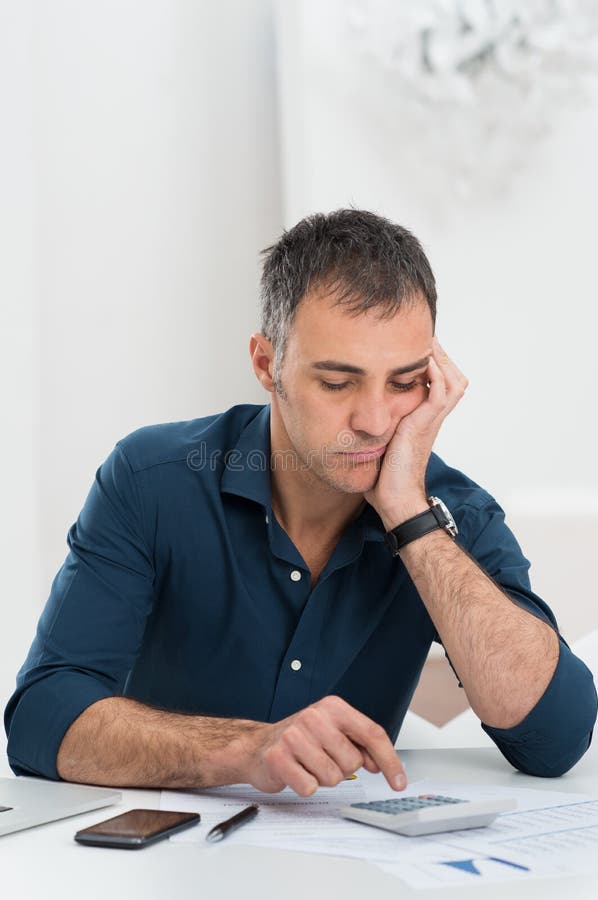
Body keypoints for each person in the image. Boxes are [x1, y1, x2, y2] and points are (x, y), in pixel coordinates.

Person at [5, 209, 596, 796]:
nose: (374, 422)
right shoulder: (152, 480)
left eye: (403, 383)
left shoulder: (449, 514)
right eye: (337, 383)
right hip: (168, 846)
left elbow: (556, 739)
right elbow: (40, 717)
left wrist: (410, 518)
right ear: (267, 365)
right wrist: (246, 750)